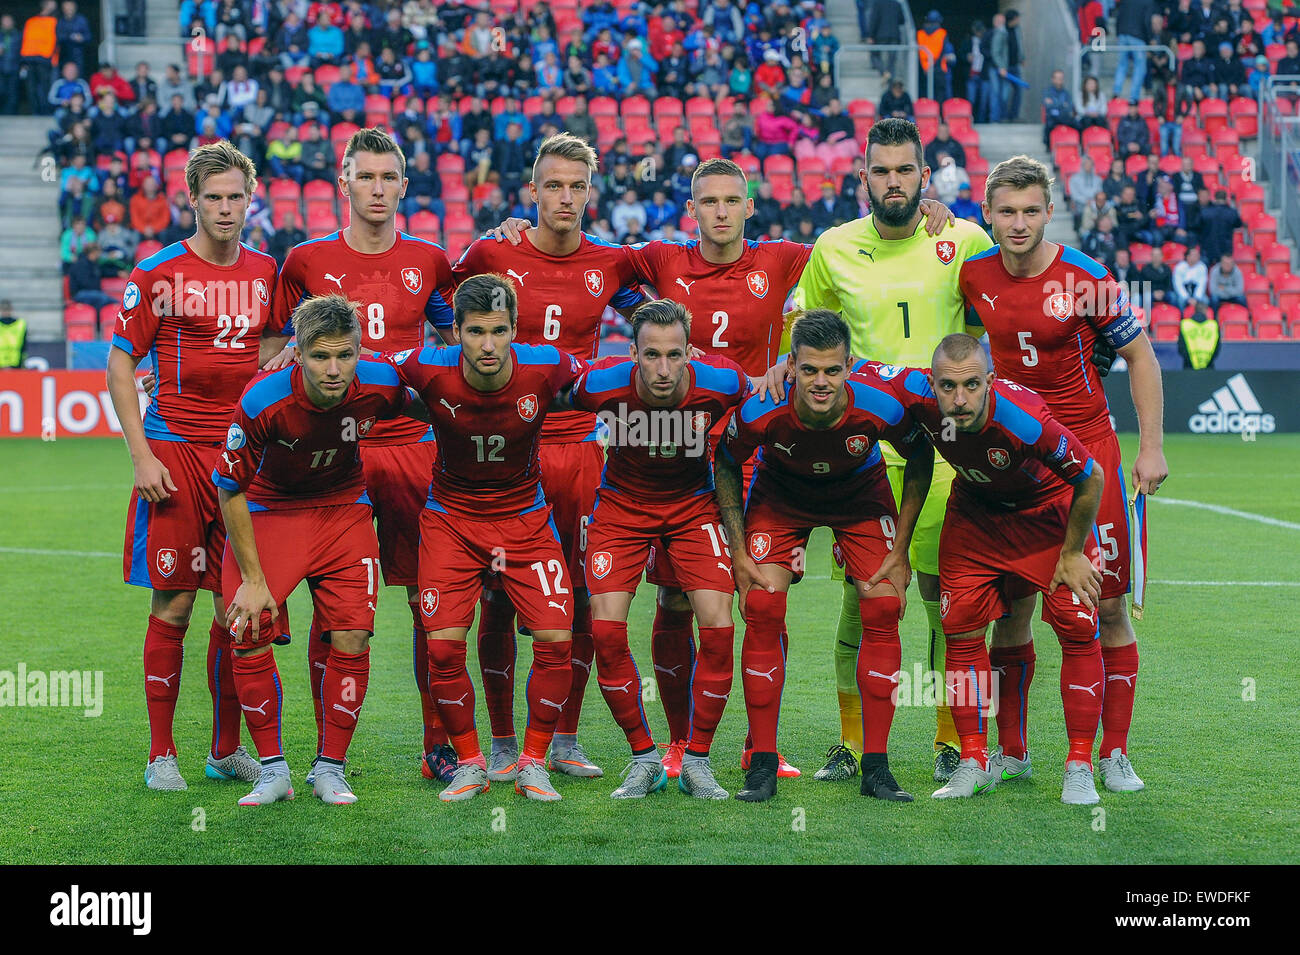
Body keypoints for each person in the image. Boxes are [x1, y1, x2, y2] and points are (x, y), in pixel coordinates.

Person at [791, 118, 992, 784]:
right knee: (864, 595)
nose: (894, 181)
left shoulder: (964, 240)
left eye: (906, 170)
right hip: (866, 453)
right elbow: (807, 333)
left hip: (949, 448)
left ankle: (948, 737)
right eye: (882, 170)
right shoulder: (833, 247)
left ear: (925, 177)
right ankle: (852, 742)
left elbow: (1003, 315)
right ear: (863, 178)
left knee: (946, 598)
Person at [960, 155, 1167, 794]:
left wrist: (1150, 448)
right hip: (1013, 462)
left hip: (1089, 456)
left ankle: (1111, 753)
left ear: (1049, 212)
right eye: (1006, 212)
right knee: (1014, 606)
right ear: (988, 216)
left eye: (1030, 211)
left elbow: (1141, 357)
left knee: (1101, 606)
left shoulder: (1088, 278)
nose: (1018, 223)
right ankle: (1013, 754)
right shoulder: (973, 276)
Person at [450, 133, 645, 782]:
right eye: (553, 186)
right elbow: (440, 309)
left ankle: (563, 735)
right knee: (500, 592)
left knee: (584, 595)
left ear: (592, 193)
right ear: (530, 191)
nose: (565, 197)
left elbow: (662, 311)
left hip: (584, 448)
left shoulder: (613, 263)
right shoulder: (491, 252)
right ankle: (502, 740)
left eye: (577, 186)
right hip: (506, 450)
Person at [269, 127, 459, 785]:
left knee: (427, 600)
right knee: (334, 604)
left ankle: (439, 742)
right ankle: (329, 757)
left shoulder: (431, 261)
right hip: (333, 455)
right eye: (366, 176)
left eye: (389, 177)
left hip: (411, 450)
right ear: (343, 181)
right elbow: (270, 353)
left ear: (404, 185)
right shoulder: (302, 262)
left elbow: (459, 344)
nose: (377, 188)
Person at [105, 140, 283, 792]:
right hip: (175, 451)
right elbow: (121, 364)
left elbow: (286, 348)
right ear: (192, 198)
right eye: (214, 197)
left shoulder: (270, 272)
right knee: (174, 604)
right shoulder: (157, 270)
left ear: (251, 197)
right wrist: (140, 453)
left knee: (238, 608)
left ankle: (224, 749)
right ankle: (161, 754)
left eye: (237, 196)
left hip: (244, 460)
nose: (226, 208)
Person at [868, 335, 1108, 803]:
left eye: (972, 385)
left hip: (1046, 514)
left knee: (1077, 625)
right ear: (930, 383)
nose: (959, 400)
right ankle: (976, 760)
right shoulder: (913, 390)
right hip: (976, 514)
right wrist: (784, 369)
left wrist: (1073, 553)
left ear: (991, 381)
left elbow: (1091, 476)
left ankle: (1079, 762)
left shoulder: (1023, 419)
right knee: (958, 628)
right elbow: (848, 367)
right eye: (948, 387)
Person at [720, 310, 934, 803]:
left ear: (850, 365)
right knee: (762, 603)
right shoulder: (761, 409)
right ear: (790, 365)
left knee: (883, 604)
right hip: (781, 494)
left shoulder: (880, 406)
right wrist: (737, 550)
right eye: (810, 369)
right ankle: (763, 764)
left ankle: (876, 767)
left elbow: (920, 457)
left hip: (860, 493)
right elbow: (727, 460)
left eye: (833, 370)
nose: (821, 382)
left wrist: (900, 551)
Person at [388, 274, 586, 803]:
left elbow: (618, 380)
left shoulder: (547, 365)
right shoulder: (426, 366)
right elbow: (360, 371)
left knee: (556, 640)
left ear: (515, 330)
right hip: (450, 521)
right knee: (443, 648)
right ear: (456, 333)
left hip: (526, 519)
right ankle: (471, 762)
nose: (489, 344)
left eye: (499, 331)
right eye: (475, 332)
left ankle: (533, 761)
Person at [217, 295, 420, 806]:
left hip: (343, 509)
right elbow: (230, 489)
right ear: (297, 353)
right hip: (268, 510)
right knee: (248, 628)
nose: (334, 370)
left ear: (360, 351)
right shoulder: (263, 400)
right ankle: (272, 770)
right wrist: (255, 578)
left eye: (345, 356)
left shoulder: (382, 384)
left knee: (351, 638)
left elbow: (443, 395)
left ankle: (331, 766)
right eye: (319, 356)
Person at [562, 300, 751, 799]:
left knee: (717, 623)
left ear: (690, 352)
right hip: (622, 506)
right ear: (632, 353)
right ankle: (644, 757)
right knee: (604, 629)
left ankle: (698, 760)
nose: (663, 369)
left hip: (692, 506)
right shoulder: (600, 385)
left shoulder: (723, 383)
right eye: (651, 356)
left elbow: (764, 404)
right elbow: (544, 396)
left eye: (673, 355)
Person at [1114, 0, 1158, 103]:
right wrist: (1150, 39)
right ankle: (1134, 96)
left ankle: (1116, 92)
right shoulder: (1148, 2)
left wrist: (1118, 33)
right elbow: (1147, 21)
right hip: (1138, 37)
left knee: (1122, 65)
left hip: (1123, 34)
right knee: (1140, 67)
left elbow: (1119, 16)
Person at [1178, 301, 1220, 369]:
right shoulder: (1213, 325)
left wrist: (1190, 360)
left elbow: (1181, 347)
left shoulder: (1185, 324)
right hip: (1209, 367)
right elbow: (1217, 348)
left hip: (1188, 367)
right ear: (1206, 311)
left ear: (1195, 310)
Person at [0, 299, 27, 367]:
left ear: (11, 310)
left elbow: (24, 345)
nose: (6, 311)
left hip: (16, 362)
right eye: (4, 309)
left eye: (7, 309)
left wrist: (23, 361)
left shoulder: (20, 324)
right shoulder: (20, 324)